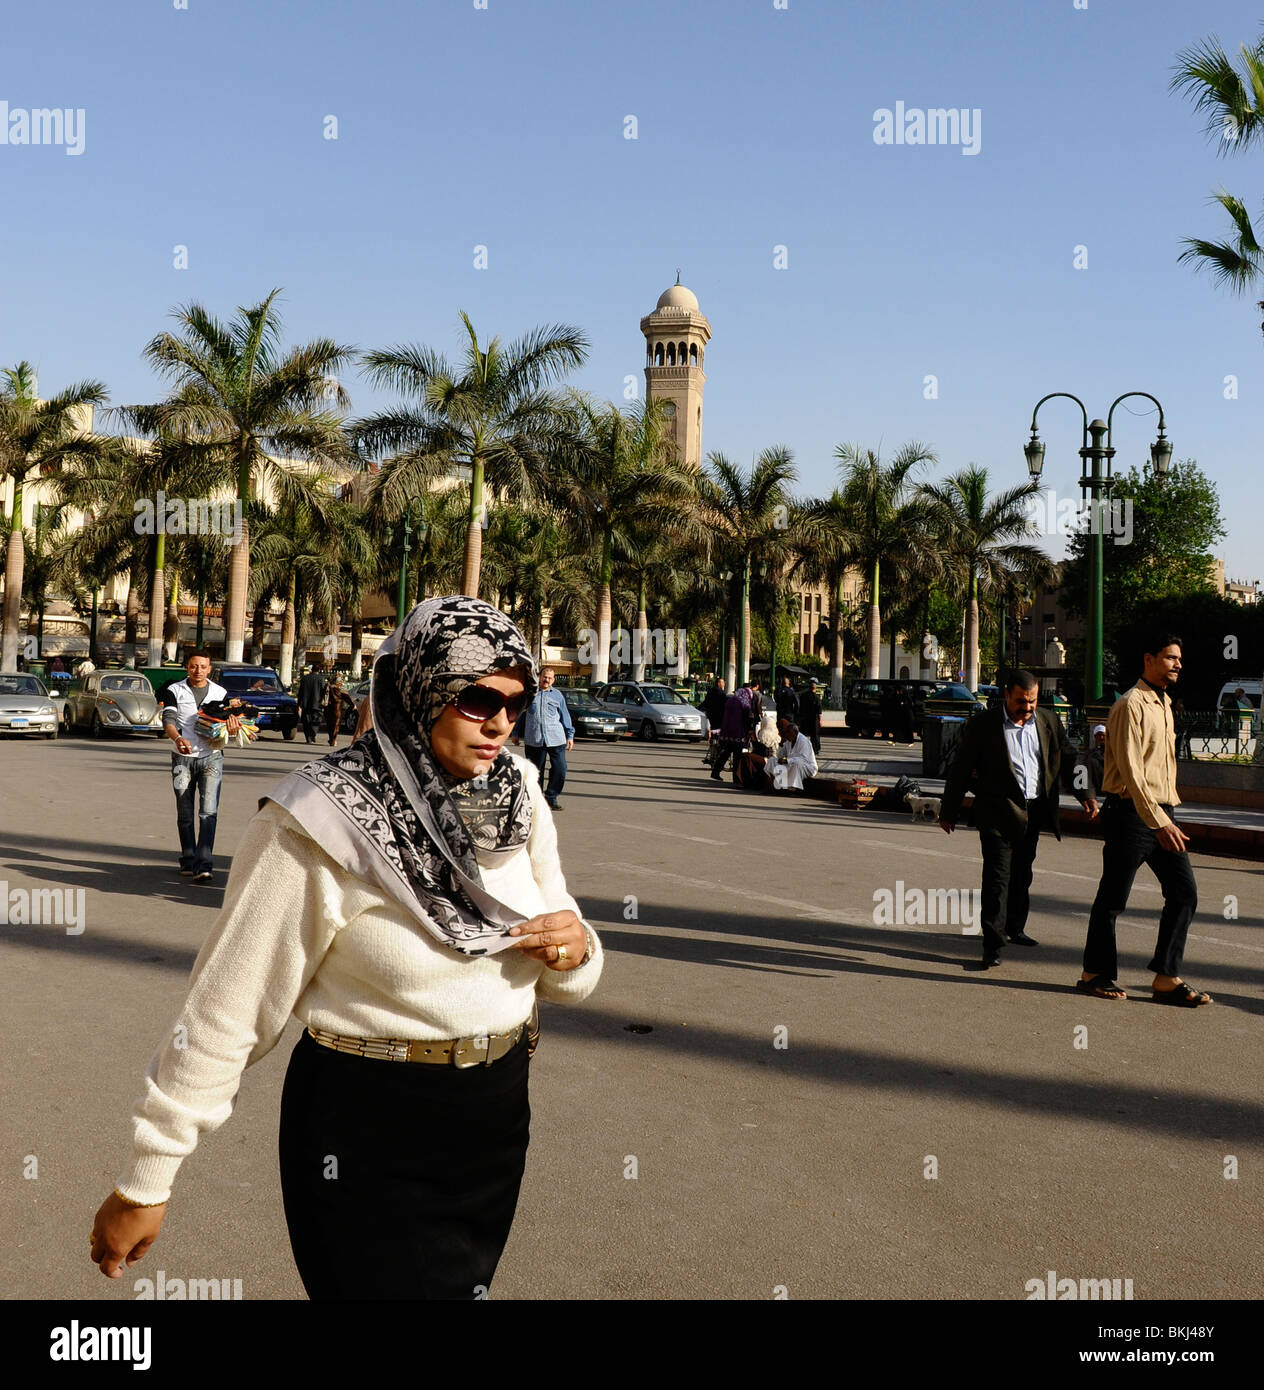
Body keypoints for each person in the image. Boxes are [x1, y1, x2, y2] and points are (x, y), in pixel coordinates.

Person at [90, 595, 603, 1299]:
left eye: (516, 704)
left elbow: (566, 943)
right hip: (366, 1129)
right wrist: (148, 1176)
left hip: (493, 1113)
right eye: (479, 699)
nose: (502, 725)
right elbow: (229, 1008)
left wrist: (578, 951)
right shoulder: (319, 819)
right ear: (422, 690)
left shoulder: (518, 793)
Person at [1079, 632, 1210, 1006]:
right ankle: (1093, 973)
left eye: (1180, 659)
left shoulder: (1164, 704)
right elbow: (1133, 772)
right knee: (1113, 898)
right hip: (1131, 815)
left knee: (1184, 893)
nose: (1178, 664)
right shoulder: (1129, 705)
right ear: (1149, 659)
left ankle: (1167, 978)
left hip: (1161, 813)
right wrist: (1159, 821)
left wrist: (1166, 816)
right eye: (1170, 658)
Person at [940, 669, 1098, 969]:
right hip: (996, 812)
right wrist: (949, 811)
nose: (1027, 708)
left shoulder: (1048, 721)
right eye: (1021, 702)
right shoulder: (984, 725)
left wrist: (1086, 794)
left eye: (1033, 701)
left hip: (1035, 809)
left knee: (1022, 873)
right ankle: (993, 944)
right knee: (997, 877)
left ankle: (1015, 927)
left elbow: (1070, 760)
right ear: (1007, 695)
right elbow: (961, 768)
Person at [161, 651, 244, 885]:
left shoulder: (221, 693)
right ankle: (188, 858)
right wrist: (178, 739)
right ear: (187, 668)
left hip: (212, 758)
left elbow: (230, 726)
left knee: (208, 812)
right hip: (181, 760)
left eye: (203, 667)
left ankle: (204, 864)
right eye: (193, 666)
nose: (198, 670)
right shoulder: (174, 691)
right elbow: (168, 721)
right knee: (185, 813)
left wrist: (234, 727)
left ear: (209, 669)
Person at [510, 665, 574, 810]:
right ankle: (537, 801)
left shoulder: (558, 695)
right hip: (534, 738)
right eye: (545, 677)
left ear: (553, 680)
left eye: (550, 678)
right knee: (536, 772)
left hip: (556, 738)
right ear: (539, 677)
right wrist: (515, 733)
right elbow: (520, 714)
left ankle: (552, 797)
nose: (547, 680)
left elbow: (565, 716)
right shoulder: (530, 694)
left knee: (560, 768)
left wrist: (570, 735)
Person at [711, 682, 756, 781]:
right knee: (737, 755)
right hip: (738, 732)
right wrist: (749, 729)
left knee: (726, 752)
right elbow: (746, 719)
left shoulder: (730, 700)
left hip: (727, 731)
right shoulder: (744, 704)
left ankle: (715, 771)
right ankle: (736, 777)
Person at [770, 717, 818, 792]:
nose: (787, 736)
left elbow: (803, 759)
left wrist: (787, 761)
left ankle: (792, 788)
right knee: (772, 760)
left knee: (796, 764)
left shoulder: (803, 741)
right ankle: (777, 783)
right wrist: (781, 745)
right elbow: (780, 755)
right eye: (786, 734)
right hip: (791, 765)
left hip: (807, 767)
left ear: (795, 734)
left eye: (789, 734)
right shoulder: (788, 740)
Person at [297, 662, 326, 745]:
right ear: (319, 670)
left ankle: (308, 738)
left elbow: (300, 692)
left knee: (306, 721)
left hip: (305, 704)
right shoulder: (321, 679)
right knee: (317, 720)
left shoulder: (304, 678)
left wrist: (299, 704)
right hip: (316, 704)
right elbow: (323, 691)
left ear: (311, 669)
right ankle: (313, 733)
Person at [797, 679, 823, 755]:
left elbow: (800, 707)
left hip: (804, 717)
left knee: (803, 734)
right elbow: (819, 710)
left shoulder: (803, 696)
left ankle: (802, 749)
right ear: (815, 688)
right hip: (814, 718)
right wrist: (820, 720)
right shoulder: (816, 698)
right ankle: (815, 749)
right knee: (815, 735)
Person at [323, 671, 348, 748]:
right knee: (336, 725)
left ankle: (331, 739)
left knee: (330, 725)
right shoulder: (340, 690)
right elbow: (347, 698)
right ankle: (333, 740)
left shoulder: (328, 687)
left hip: (328, 708)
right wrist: (353, 705)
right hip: (337, 710)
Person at [1088, 723, 1107, 797]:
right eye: (1099, 735)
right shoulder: (1090, 753)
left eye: (1103, 735)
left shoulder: (1112, 752)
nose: (1101, 737)